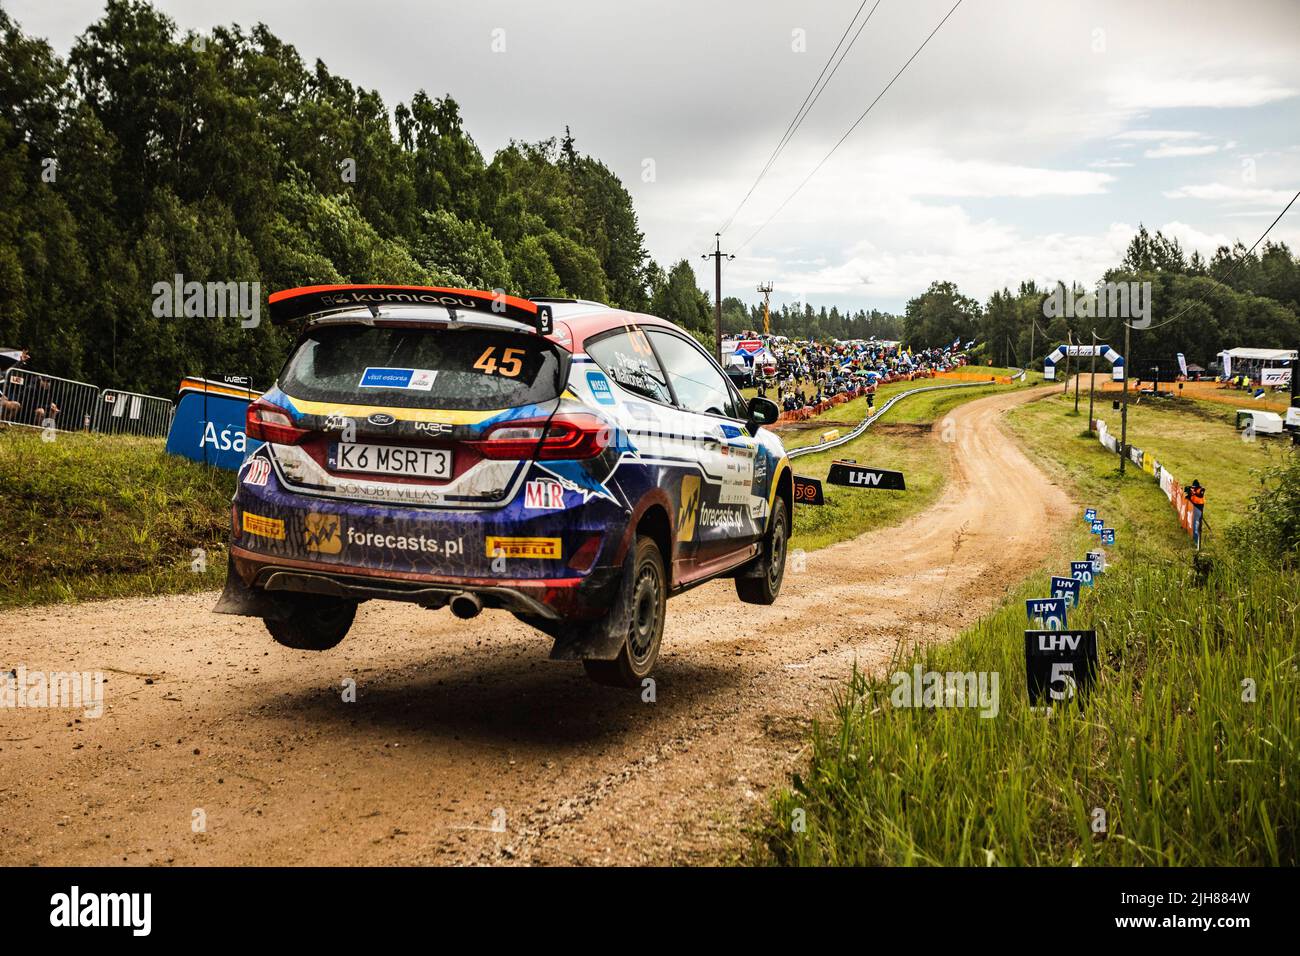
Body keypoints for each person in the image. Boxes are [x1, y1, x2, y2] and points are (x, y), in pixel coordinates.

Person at [1185, 479, 1206, 548]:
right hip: (1194, 508)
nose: (1193, 488)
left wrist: (1194, 492)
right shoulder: (1193, 490)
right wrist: (1189, 495)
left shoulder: (1200, 490)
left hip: (1199, 509)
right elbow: (1191, 498)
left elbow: (1201, 494)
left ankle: (1197, 541)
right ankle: (1194, 537)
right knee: (1194, 523)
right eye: (1193, 487)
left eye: (1195, 487)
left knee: (1196, 524)